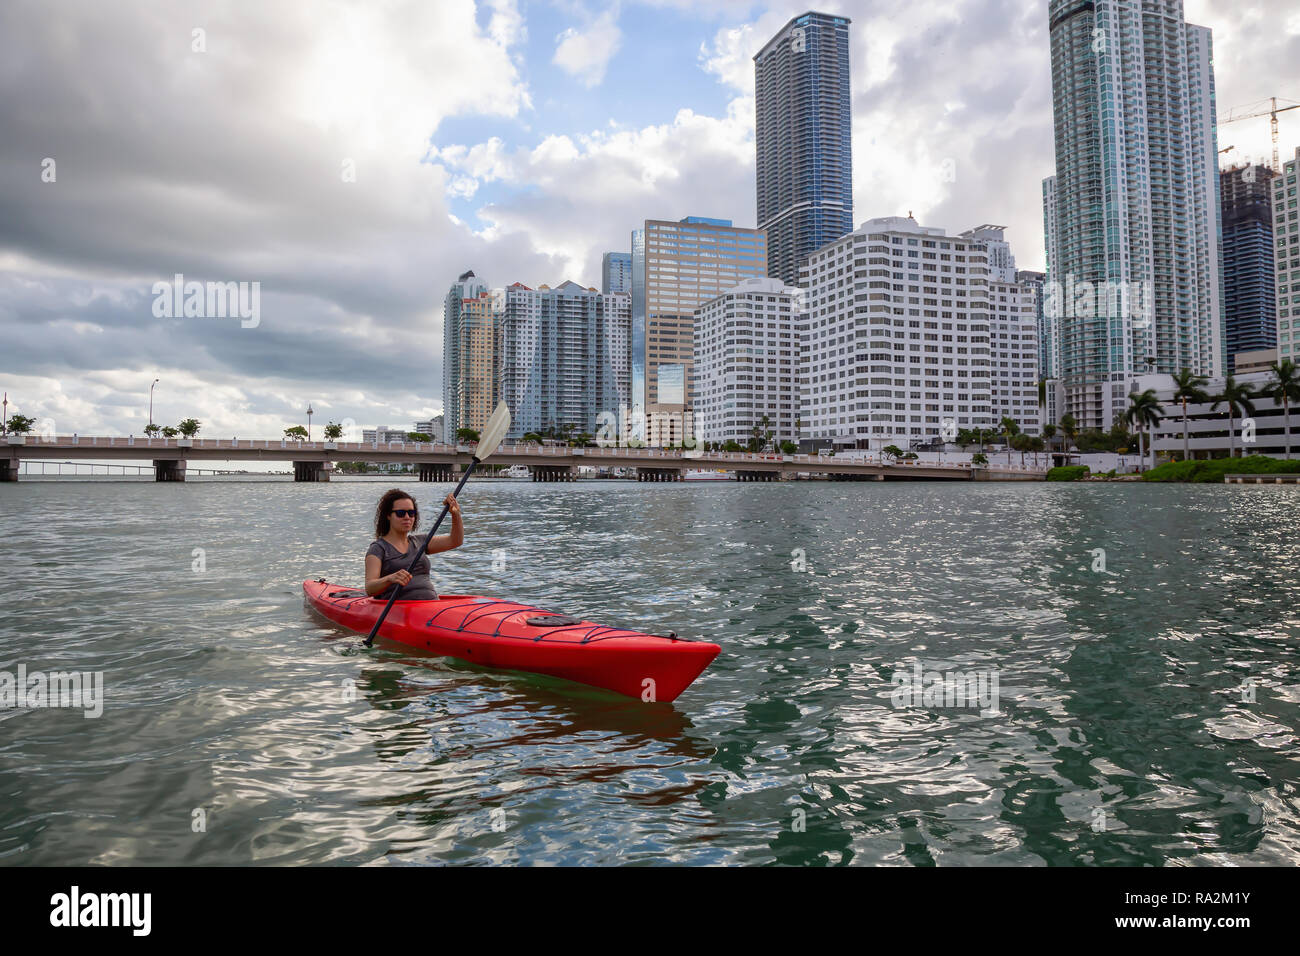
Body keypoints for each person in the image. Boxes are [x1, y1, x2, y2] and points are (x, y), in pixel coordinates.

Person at [365, 488, 462, 600]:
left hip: (432, 604)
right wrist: (389, 579)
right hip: (399, 609)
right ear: (388, 516)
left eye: (411, 513)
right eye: (400, 513)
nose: (407, 517)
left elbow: (455, 541)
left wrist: (455, 514)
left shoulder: (420, 541)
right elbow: (369, 588)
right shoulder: (378, 549)